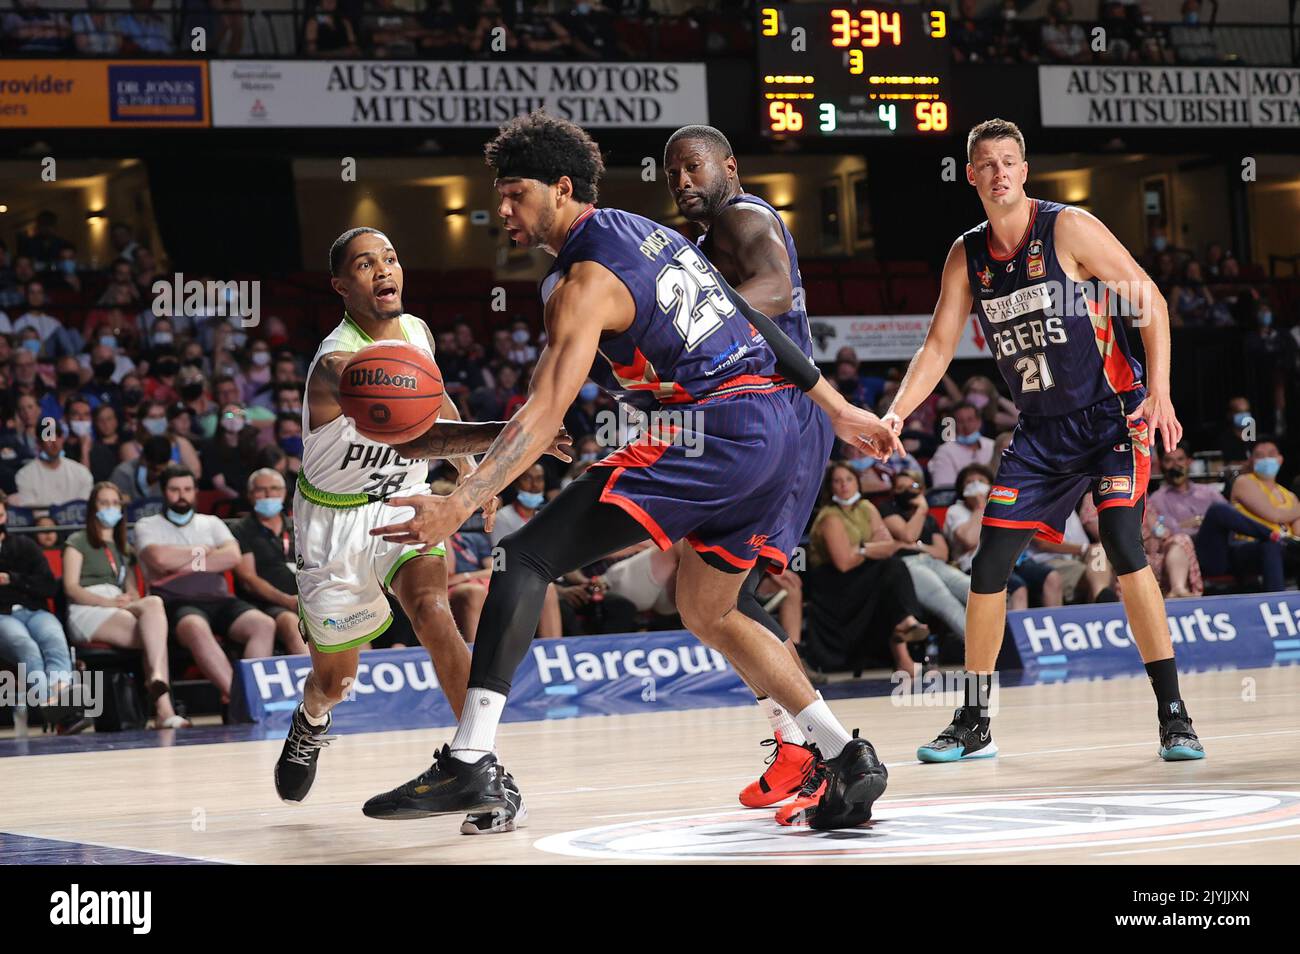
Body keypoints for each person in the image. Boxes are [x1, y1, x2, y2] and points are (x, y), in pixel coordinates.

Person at [359, 111, 893, 831]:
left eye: (516, 195)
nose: (504, 212)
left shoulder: (584, 278)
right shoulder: (656, 234)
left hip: (715, 430)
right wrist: (832, 404)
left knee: (523, 556)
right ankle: (843, 754)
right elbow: (753, 324)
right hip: (769, 430)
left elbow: (547, 410)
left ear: (563, 187)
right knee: (709, 608)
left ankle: (470, 761)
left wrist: (463, 501)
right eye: (500, 196)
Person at [881, 118, 1203, 764]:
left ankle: (1175, 715)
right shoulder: (965, 255)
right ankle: (974, 720)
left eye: (1009, 161)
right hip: (1041, 433)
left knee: (1119, 542)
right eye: (986, 164)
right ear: (970, 176)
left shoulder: (1067, 228)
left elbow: (1152, 303)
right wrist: (893, 415)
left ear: (1024, 171)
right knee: (989, 562)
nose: (999, 172)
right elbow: (938, 347)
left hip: (1112, 416)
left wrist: (1160, 390)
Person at [271, 226, 571, 837]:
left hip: (406, 500)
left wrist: (470, 475)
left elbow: (438, 410)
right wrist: (508, 437)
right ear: (340, 285)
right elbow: (416, 435)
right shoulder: (336, 364)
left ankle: (477, 765)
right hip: (335, 518)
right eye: (364, 264)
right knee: (337, 679)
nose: (383, 270)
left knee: (435, 608)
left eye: (390, 257)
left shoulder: (416, 332)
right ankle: (312, 719)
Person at [665, 122, 841, 810]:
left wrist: (693, 319)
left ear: (728, 167)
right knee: (705, 600)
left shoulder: (744, 215)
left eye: (692, 168)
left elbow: (774, 285)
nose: (682, 182)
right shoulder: (706, 242)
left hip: (785, 419)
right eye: (671, 173)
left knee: (718, 602)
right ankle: (794, 740)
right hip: (747, 422)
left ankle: (819, 751)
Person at [135, 466, 276, 702]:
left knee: (264, 624)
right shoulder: (147, 525)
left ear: (196, 491)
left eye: (188, 489)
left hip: (220, 600)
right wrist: (205, 551)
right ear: (163, 491)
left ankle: (248, 695)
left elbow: (232, 557)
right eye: (174, 490)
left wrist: (182, 565)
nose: (182, 495)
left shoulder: (211, 523)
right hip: (177, 603)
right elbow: (159, 559)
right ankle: (242, 700)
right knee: (195, 627)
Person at [62, 482, 188, 728]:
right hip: (88, 609)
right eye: (104, 503)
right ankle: (164, 708)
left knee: (153, 603)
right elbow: (71, 588)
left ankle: (156, 680)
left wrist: (128, 598)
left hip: (117, 605)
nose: (110, 508)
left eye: (115, 503)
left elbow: (130, 587)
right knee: (155, 637)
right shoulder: (77, 541)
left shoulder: (124, 548)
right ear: (92, 508)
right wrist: (108, 602)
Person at [1149, 443, 1284, 591]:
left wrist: (1195, 522)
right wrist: (1208, 522)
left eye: (1180, 459)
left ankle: (1277, 603)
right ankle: (1274, 534)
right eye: (1169, 461)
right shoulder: (1158, 499)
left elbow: (1232, 518)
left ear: (1189, 462)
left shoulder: (1208, 491)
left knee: (1269, 546)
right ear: (1161, 464)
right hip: (1198, 555)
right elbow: (1174, 533)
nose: (1175, 466)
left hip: (1228, 549)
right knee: (1217, 512)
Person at [878, 469, 969, 640]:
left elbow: (942, 553)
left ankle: (1006, 642)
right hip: (908, 565)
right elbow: (908, 535)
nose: (906, 491)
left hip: (934, 563)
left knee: (972, 589)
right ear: (893, 491)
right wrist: (921, 510)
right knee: (947, 602)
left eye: (912, 486)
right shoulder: (888, 509)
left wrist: (917, 546)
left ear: (921, 488)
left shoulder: (930, 519)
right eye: (900, 487)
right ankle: (982, 654)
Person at [0, 491, 68, 714]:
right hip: (3, 616)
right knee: (25, 645)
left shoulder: (25, 546)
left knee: (53, 638)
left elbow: (48, 585)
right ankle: (46, 701)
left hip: (35, 611)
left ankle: (64, 698)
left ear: (4, 515)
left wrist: (12, 579)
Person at [232, 468, 308, 655]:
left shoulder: (300, 526)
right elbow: (248, 578)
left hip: (308, 599)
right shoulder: (241, 530)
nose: (268, 495)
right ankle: (313, 682)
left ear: (283, 493)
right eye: (261, 490)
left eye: (274, 489)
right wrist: (288, 601)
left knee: (347, 621)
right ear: (250, 495)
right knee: (292, 623)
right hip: (268, 604)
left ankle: (362, 680)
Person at [13, 417, 94, 508]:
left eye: (58, 436)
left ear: (63, 438)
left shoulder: (81, 473)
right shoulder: (25, 475)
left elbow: (84, 507)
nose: (54, 442)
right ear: (38, 442)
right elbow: (31, 511)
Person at [928, 401, 996, 487]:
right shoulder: (944, 452)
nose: (966, 425)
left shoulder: (992, 446)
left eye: (970, 420)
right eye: (960, 421)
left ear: (979, 422)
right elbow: (943, 490)